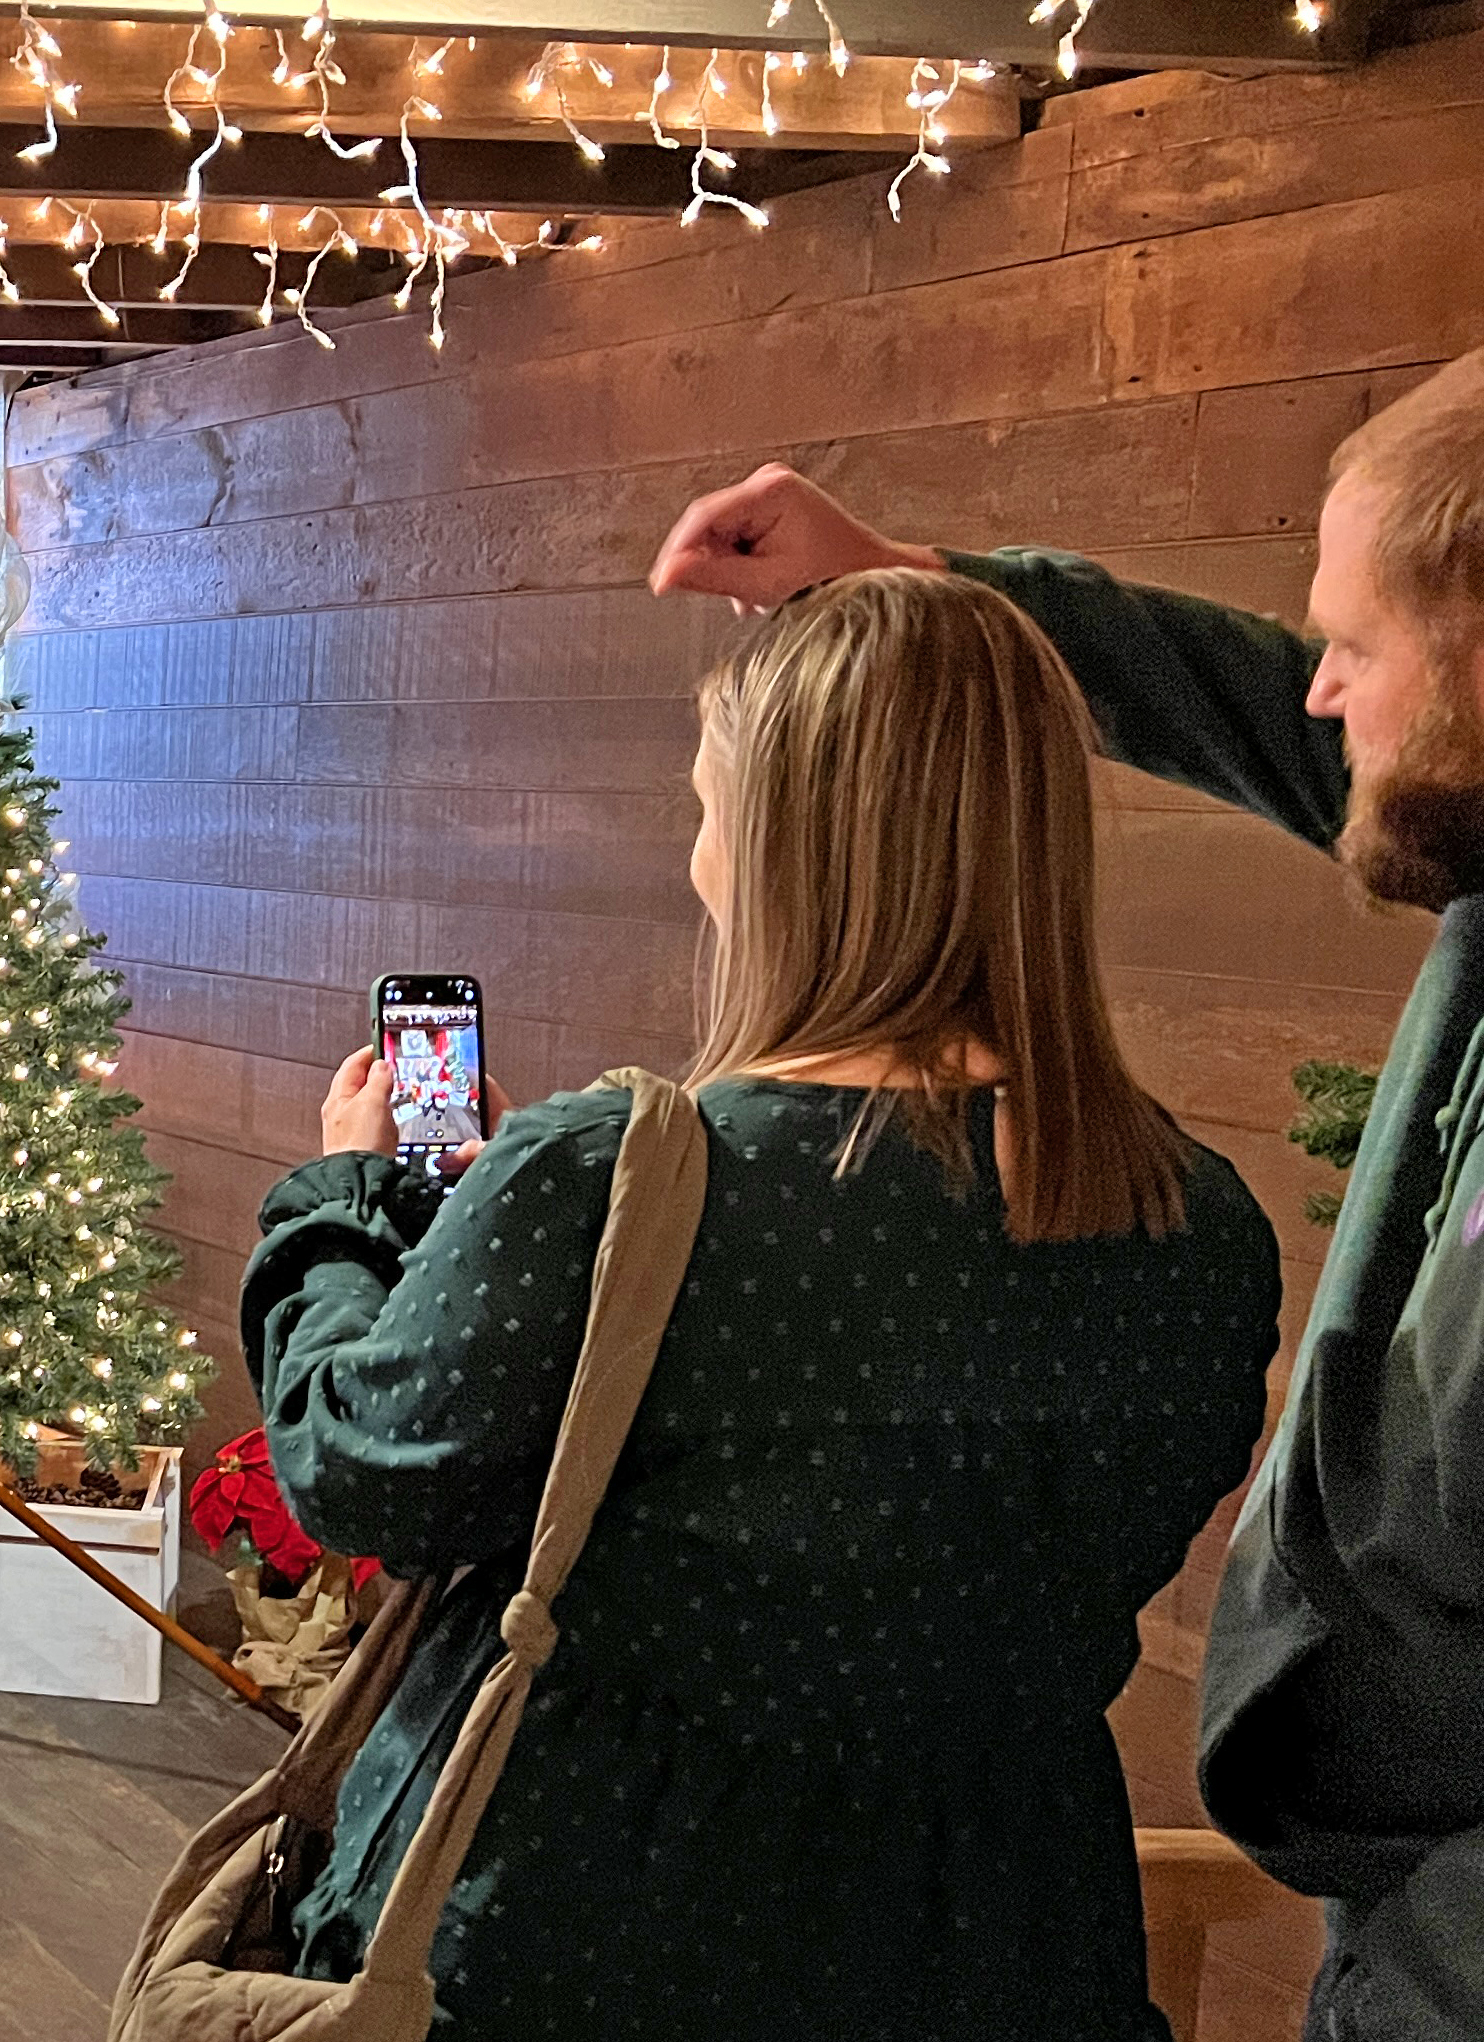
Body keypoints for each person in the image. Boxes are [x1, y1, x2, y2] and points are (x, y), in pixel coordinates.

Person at [241, 570, 1279, 2038]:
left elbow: (357, 1462)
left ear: (793, 846)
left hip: (601, 1924)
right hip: (1000, 1935)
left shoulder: (608, 1175)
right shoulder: (1193, 1215)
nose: (699, 857)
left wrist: (342, 1205)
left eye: (708, 806)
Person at [647, 347, 1484, 2038]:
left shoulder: (614, 1174)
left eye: (1350, 645)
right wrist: (925, 583)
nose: (1313, 697)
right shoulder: (1185, 1212)